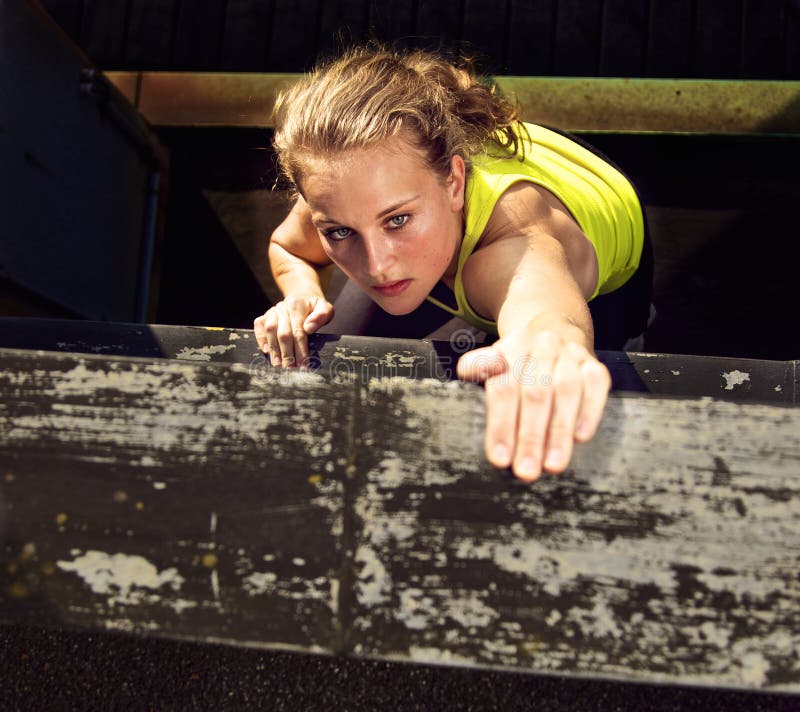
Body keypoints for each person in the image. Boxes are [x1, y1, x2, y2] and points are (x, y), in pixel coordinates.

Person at [254, 46, 653, 482]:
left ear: (455, 182)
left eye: (398, 220)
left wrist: (552, 351)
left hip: (603, 230)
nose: (377, 265)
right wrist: (302, 295)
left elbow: (545, 313)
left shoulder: (511, 245)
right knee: (332, 360)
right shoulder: (344, 191)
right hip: (451, 198)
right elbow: (289, 248)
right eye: (340, 232)